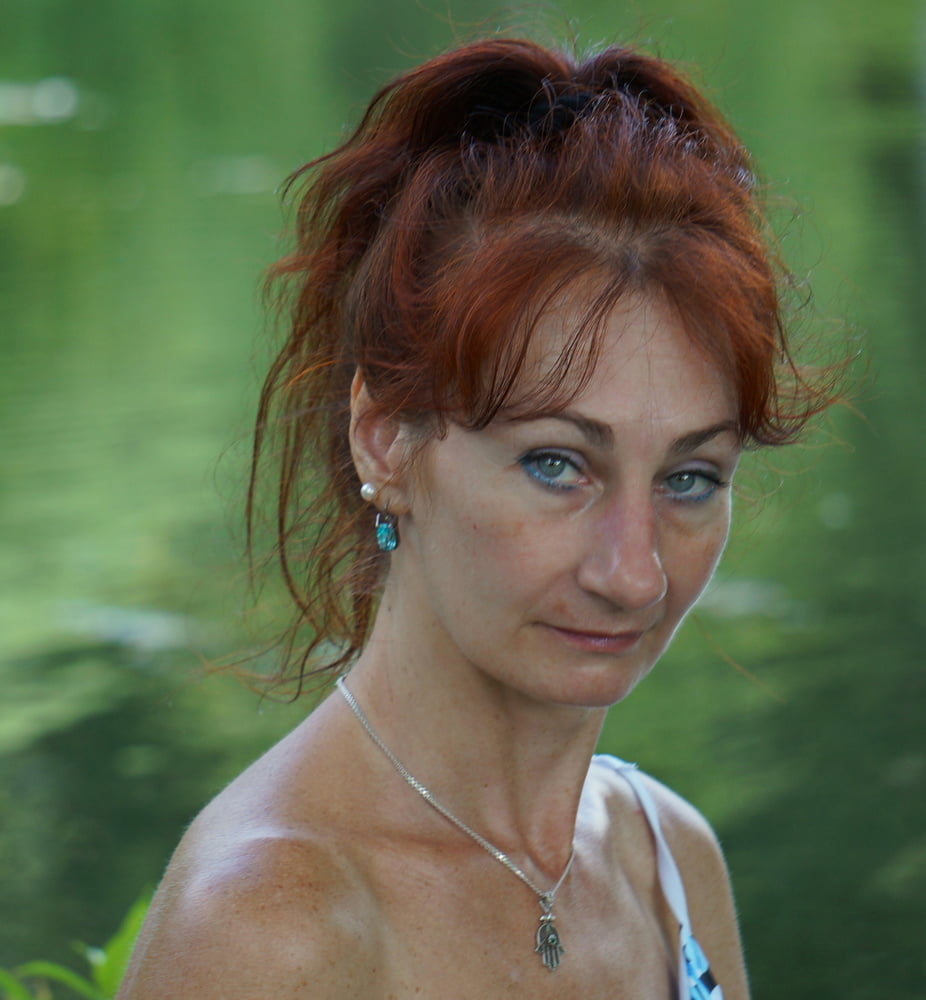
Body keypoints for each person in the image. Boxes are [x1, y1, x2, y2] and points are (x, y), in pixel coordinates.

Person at [117, 36, 834, 1000]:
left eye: (690, 478)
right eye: (556, 465)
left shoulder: (669, 862)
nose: (634, 575)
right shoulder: (269, 929)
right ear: (384, 442)